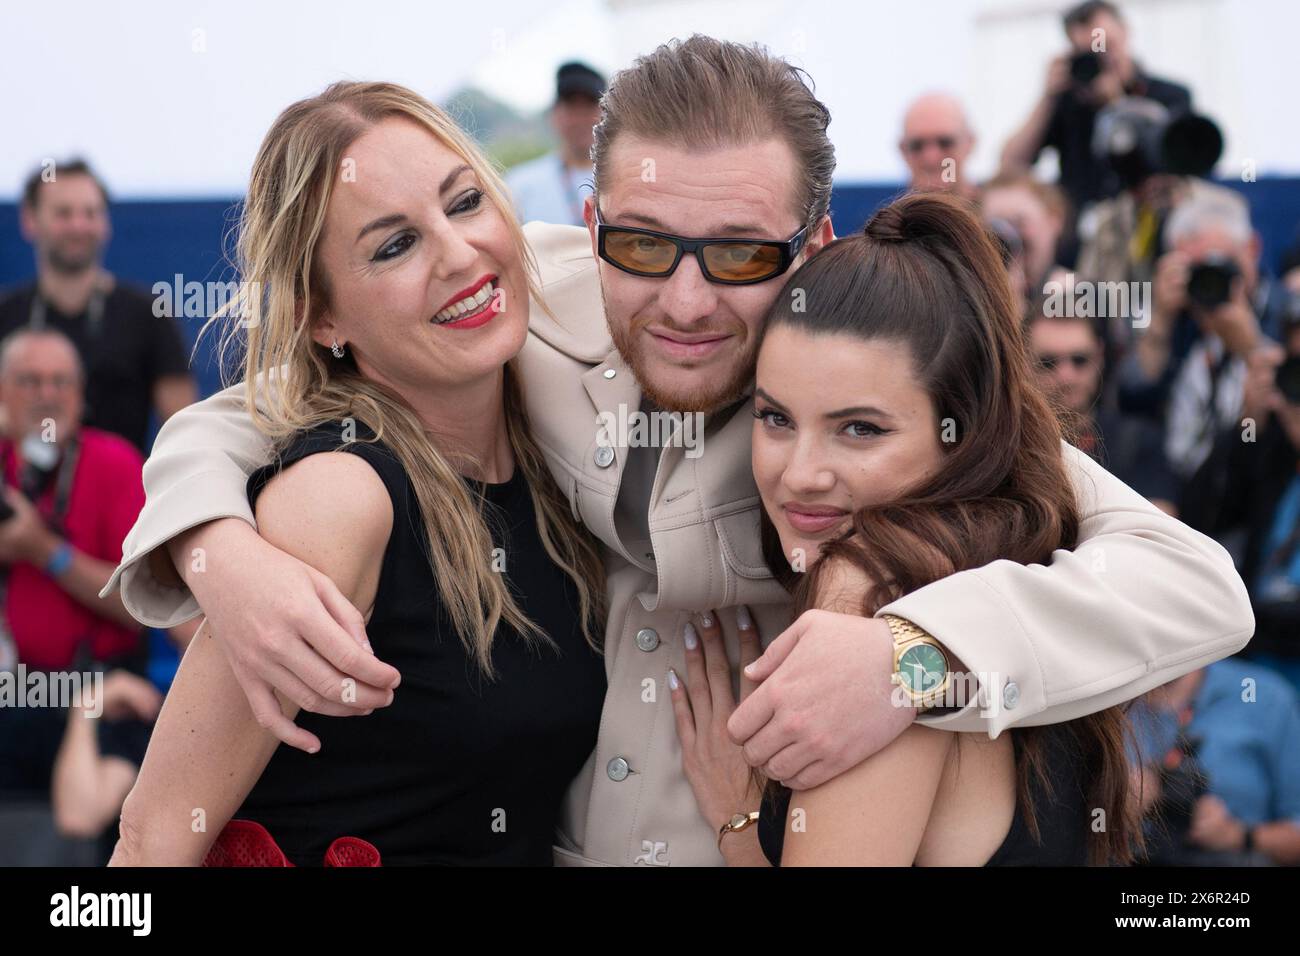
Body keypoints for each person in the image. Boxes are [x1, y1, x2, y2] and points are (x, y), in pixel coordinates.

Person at [102, 36, 1252, 867]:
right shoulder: (513, 293)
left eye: (745, 256)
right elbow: (265, 404)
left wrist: (911, 659)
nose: (688, 301)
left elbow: (1192, 584)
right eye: (645, 244)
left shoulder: (875, 374)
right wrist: (221, 551)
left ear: (815, 246)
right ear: (591, 225)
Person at [109, 82, 608, 866]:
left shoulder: (553, 449)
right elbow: (152, 835)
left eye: (466, 202)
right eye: (393, 245)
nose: (456, 253)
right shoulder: (339, 500)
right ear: (323, 317)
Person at [672, 193, 1137, 865]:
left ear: (962, 436)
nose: (800, 473)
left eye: (859, 429)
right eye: (775, 418)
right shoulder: (1012, 562)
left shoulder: (867, 593)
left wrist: (736, 824)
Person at [0, 159, 196, 453]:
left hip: (124, 493)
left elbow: (185, 430)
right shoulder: (6, 313)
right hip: (20, 493)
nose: (78, 225)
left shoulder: (148, 315)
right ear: (30, 220)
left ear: (105, 223)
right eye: (63, 213)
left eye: (90, 213)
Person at [999, 1, 1192, 216]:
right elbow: (1010, 165)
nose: (1104, 57)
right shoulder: (1067, 103)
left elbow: (1174, 172)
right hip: (1080, 231)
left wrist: (1115, 105)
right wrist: (1047, 97)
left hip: (1148, 223)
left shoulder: (1170, 96)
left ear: (1125, 31)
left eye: (1107, 44)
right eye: (1091, 52)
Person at [1130, 661, 1300, 866]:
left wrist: (1238, 835)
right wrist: (1112, 805)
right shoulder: (1099, 702)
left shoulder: (1264, 696)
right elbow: (1094, 823)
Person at [1028, 310, 1179, 514]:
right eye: (1048, 362)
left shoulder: (1138, 441)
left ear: (1099, 356)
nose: (1066, 376)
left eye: (1079, 359)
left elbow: (1162, 530)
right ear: (1024, 364)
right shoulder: (1010, 451)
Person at [505, 62, 605, 226]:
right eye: (572, 107)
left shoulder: (627, 180)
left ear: (606, 114)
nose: (580, 119)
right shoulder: (519, 186)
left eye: (589, 107)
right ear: (555, 114)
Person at [898, 93, 978, 201]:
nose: (931, 157)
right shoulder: (882, 216)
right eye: (917, 145)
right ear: (903, 150)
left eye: (945, 142)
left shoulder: (998, 213)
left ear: (970, 143)